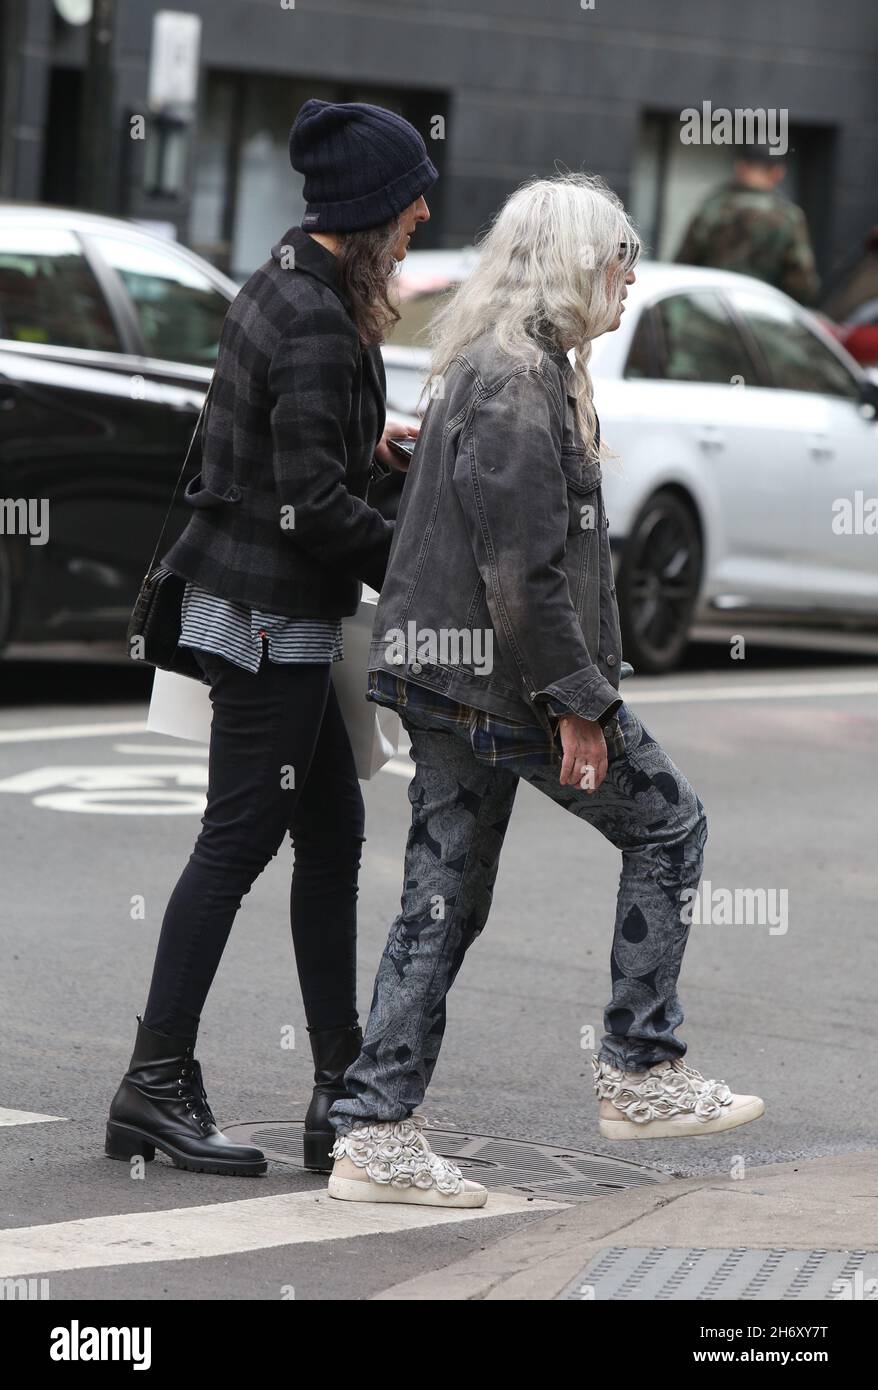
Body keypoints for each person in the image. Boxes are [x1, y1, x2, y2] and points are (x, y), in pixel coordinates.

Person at [324, 173, 765, 1210]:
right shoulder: (520, 378)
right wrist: (579, 703)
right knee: (669, 826)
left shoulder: (496, 361)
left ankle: (373, 1133)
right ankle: (639, 1067)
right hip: (497, 683)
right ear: (577, 263)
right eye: (620, 262)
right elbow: (518, 572)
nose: (628, 282)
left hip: (445, 676)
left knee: (440, 905)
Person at [105, 100, 436, 1178]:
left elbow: (280, 453)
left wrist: (367, 445)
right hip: (265, 621)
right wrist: (421, 570)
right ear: (367, 212)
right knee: (239, 838)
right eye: (408, 201)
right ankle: (155, 1085)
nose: (421, 216)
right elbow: (310, 504)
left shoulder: (287, 284)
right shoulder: (313, 319)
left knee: (331, 835)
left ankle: (337, 1086)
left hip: (268, 613)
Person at [675, 144, 820, 304]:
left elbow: (682, 266)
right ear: (778, 173)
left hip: (705, 313)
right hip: (761, 317)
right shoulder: (787, 218)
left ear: (740, 167)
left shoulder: (712, 208)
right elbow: (802, 285)